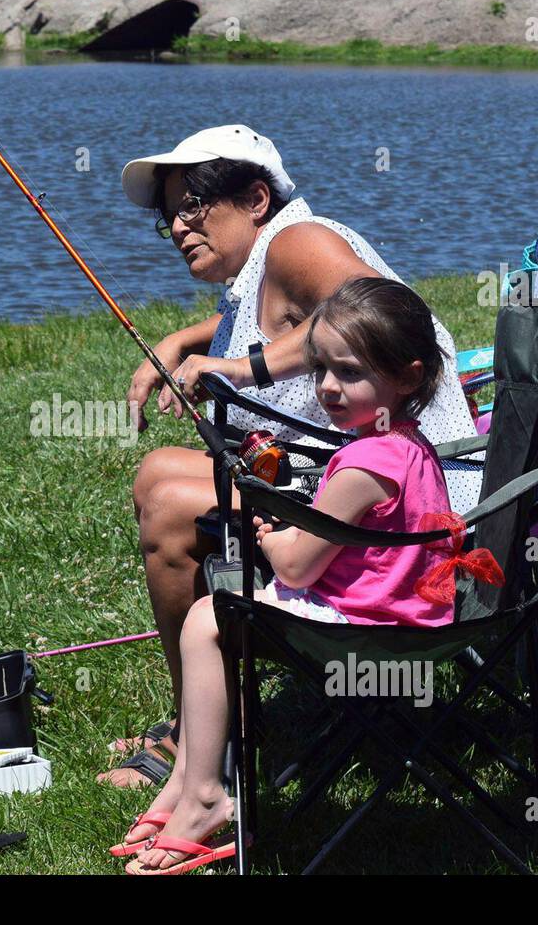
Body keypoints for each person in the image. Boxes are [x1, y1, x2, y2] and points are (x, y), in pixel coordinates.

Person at [101, 125, 478, 788]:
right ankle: (212, 710)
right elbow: (277, 320)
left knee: (167, 503)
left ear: (254, 197)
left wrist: (240, 368)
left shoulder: (298, 240)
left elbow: (379, 312)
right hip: (374, 489)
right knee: (159, 469)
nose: (179, 225)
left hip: (408, 508)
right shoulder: (260, 271)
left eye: (193, 204)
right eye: (169, 216)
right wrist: (185, 339)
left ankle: (205, 738)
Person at [121, 276, 458, 874]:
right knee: (215, 615)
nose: (328, 387)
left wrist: (272, 539)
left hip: (367, 626)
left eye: (349, 373)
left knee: (205, 620)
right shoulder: (405, 442)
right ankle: (183, 782)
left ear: (407, 376)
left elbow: (301, 568)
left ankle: (203, 796)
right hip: (403, 610)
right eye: (322, 367)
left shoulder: (365, 462)